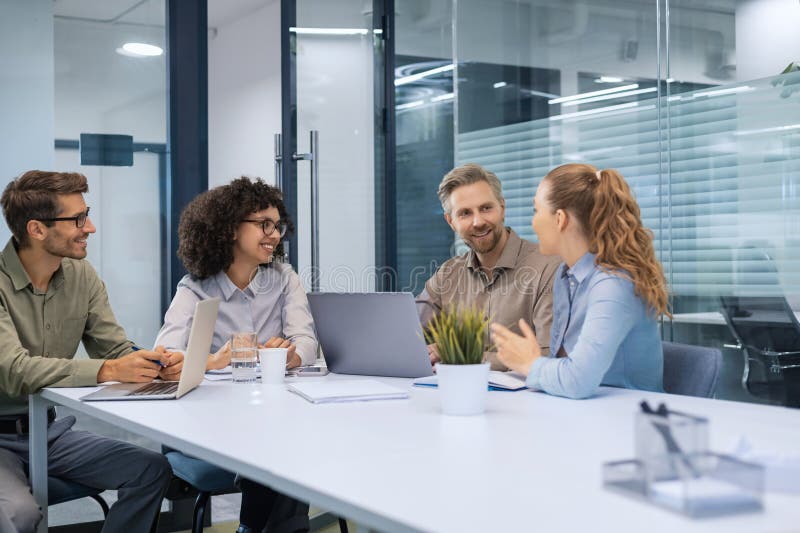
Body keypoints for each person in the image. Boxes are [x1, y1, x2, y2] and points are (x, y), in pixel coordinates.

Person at [0, 171, 173, 533]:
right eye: (77, 219)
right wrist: (109, 370)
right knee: (19, 513)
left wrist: (156, 364)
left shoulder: (82, 275)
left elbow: (115, 349)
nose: (90, 227)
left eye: (87, 214)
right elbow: (16, 370)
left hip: (47, 434)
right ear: (36, 229)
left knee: (150, 470)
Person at [154, 176, 316, 533]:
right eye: (263, 225)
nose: (274, 234)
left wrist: (289, 355)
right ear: (229, 229)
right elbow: (164, 357)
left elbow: (306, 341)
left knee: (285, 443)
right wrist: (215, 361)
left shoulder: (284, 278)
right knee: (279, 451)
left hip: (273, 416)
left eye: (278, 226)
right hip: (212, 425)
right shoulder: (196, 288)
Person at [490, 164, 668, 399]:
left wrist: (530, 364)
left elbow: (577, 380)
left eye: (536, 210)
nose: (533, 223)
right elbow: (566, 366)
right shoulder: (566, 276)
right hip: (583, 412)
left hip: (627, 417)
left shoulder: (613, 285)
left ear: (560, 219)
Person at [417, 163, 561, 370]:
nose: (478, 222)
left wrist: (456, 354)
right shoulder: (448, 274)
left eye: (486, 208)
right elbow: (408, 334)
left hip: (525, 400)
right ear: (451, 222)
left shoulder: (548, 267)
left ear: (502, 208)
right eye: (465, 213)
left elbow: (546, 357)